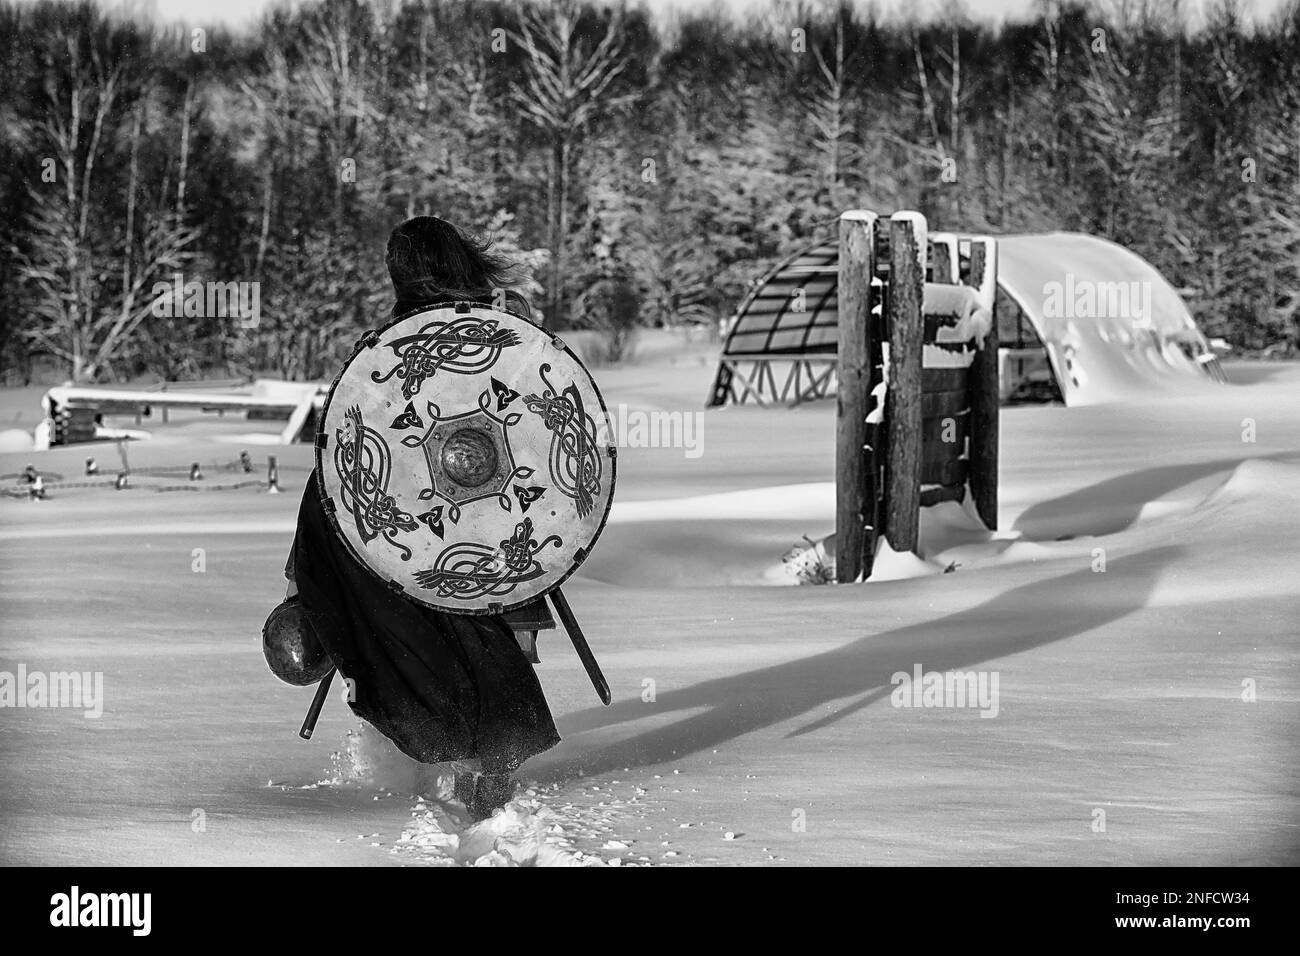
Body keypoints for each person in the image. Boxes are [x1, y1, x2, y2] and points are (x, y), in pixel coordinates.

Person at [282, 216, 560, 819]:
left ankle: (457, 744)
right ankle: (484, 749)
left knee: (351, 553)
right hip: (495, 522)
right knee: (450, 600)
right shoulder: (505, 332)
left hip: (461, 519)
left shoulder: (388, 347)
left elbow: (342, 460)